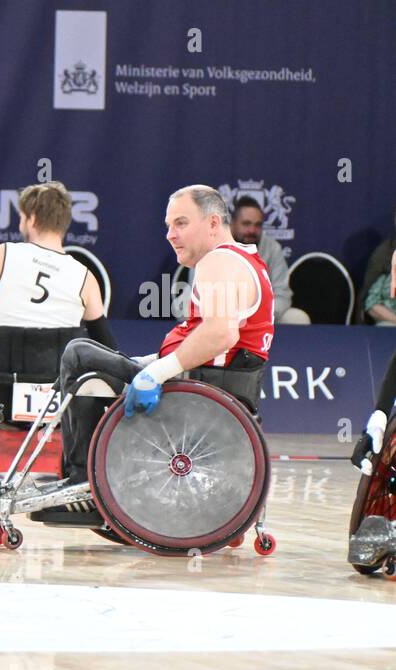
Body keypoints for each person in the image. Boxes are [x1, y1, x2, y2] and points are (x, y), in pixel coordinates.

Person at [35, 185, 274, 524]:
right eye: (168, 226)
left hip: (202, 389)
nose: (170, 235)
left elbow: (222, 333)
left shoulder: (220, 260)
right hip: (209, 380)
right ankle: (91, 479)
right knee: (93, 361)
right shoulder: (243, 260)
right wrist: (154, 363)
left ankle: (84, 484)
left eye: (180, 223)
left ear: (213, 223)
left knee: (79, 355)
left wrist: (156, 372)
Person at [0, 181, 113, 421]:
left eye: (21, 217)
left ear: (33, 218)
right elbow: (106, 344)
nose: (20, 223)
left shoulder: (4, 254)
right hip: (62, 399)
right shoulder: (85, 277)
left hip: (2, 391)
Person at [228, 196, 309, 324]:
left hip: (263, 316)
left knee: (298, 318)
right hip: (224, 316)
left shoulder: (272, 248)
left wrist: (261, 316)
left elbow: (282, 294)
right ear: (233, 224)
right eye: (246, 224)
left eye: (257, 225)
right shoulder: (213, 247)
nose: (252, 230)